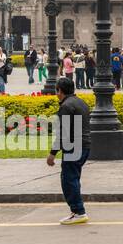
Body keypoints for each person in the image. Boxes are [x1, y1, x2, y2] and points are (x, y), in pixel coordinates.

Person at [47, 77, 91, 225]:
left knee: (68, 179)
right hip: (84, 145)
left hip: (74, 146)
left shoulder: (66, 106)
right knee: (72, 178)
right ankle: (76, 211)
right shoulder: (80, 102)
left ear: (60, 91)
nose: (56, 94)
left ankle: (78, 212)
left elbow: (63, 132)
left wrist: (52, 154)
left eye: (56, 91)